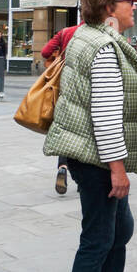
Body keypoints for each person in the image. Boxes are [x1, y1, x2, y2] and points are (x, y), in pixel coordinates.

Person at [44, 0, 137, 272]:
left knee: (119, 231)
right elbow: (105, 114)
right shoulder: (103, 47)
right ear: (109, 9)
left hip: (90, 155)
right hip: (97, 159)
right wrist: (117, 169)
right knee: (98, 238)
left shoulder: (89, 38)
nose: (134, 5)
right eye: (128, 0)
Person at [41, 22, 84, 195]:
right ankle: (82, 180)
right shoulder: (93, 33)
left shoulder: (66, 32)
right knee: (82, 131)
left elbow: (45, 52)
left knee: (66, 129)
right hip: (84, 88)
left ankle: (63, 166)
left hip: (63, 86)